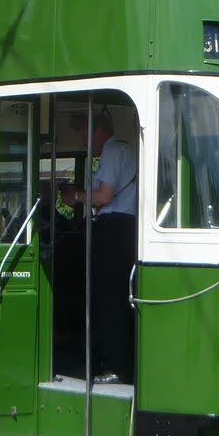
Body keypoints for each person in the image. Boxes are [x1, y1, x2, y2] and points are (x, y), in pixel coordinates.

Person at [72, 110, 138, 384]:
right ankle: (122, 363)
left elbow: (104, 196)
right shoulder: (129, 151)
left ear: (99, 131)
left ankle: (114, 367)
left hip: (113, 230)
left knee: (107, 301)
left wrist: (75, 195)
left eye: (86, 134)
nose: (86, 141)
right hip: (128, 230)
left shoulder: (112, 152)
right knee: (120, 301)